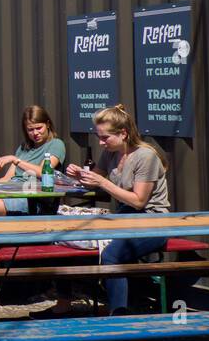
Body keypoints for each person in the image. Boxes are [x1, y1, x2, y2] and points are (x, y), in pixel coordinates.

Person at [57, 104, 171, 317]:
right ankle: (64, 302)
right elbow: (93, 182)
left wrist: (102, 181)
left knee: (111, 255)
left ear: (124, 133)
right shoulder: (111, 153)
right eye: (99, 137)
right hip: (125, 217)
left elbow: (139, 201)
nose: (101, 142)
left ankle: (118, 318)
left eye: (105, 137)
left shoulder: (145, 156)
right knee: (62, 234)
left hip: (153, 221)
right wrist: (78, 174)